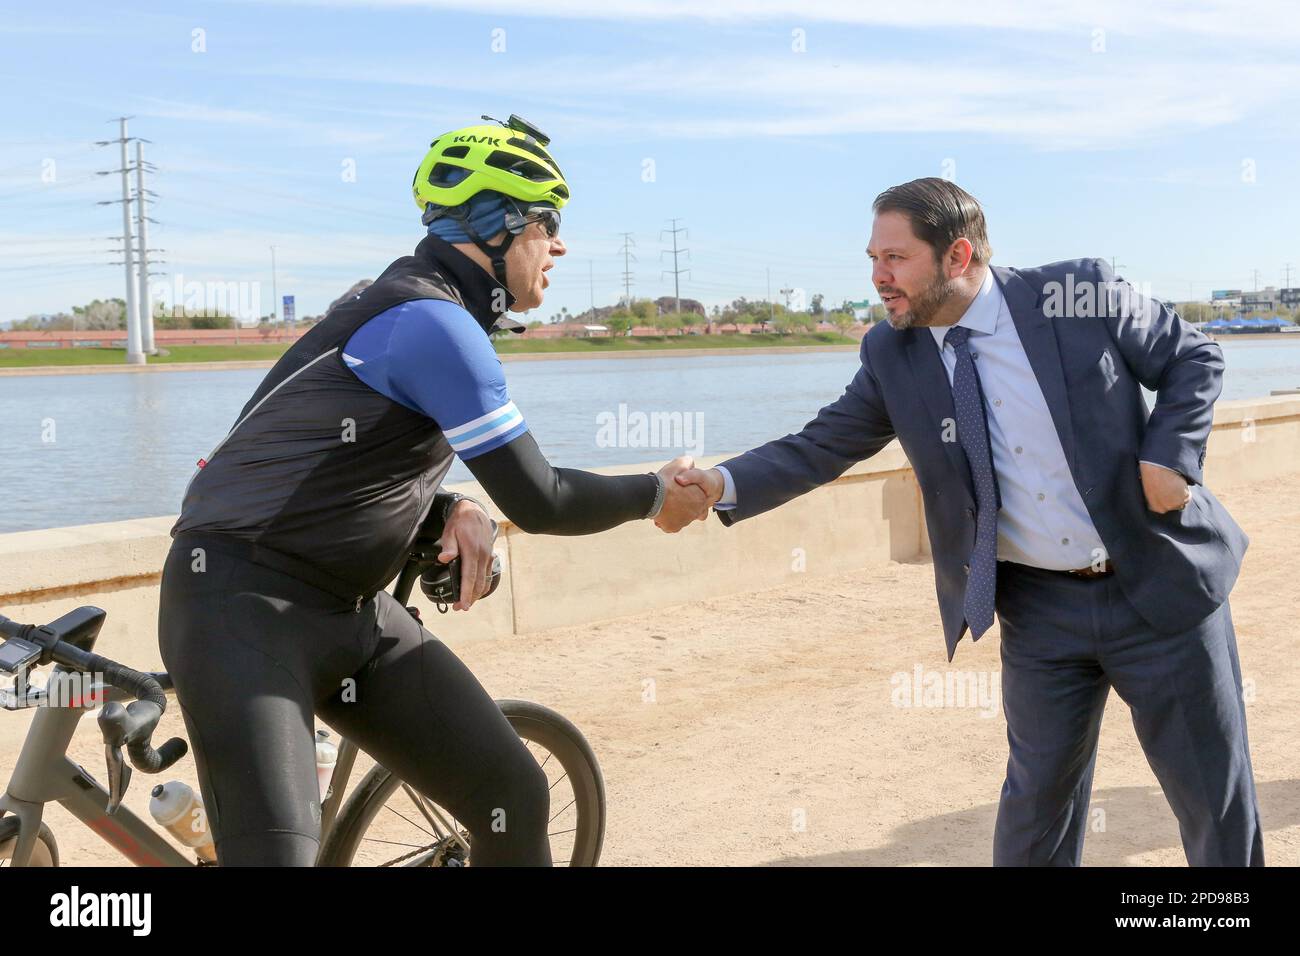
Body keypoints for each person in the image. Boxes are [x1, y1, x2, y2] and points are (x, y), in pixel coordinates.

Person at [158, 114, 708, 866]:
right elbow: (541, 499)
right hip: (243, 612)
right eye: (549, 224)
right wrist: (653, 493)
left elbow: (340, 459)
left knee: (513, 796)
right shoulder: (431, 324)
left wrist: (451, 503)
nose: (560, 245)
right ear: (498, 225)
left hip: (352, 612)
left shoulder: (409, 308)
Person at [663, 178, 1263, 866]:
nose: (878, 277)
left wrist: (1171, 457)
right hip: (1040, 611)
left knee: (1212, 805)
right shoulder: (893, 353)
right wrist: (719, 482)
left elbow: (1193, 354)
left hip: (1158, 586)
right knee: (1035, 810)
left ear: (957, 256)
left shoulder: (1075, 293)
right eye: (872, 258)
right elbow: (820, 445)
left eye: (894, 259)